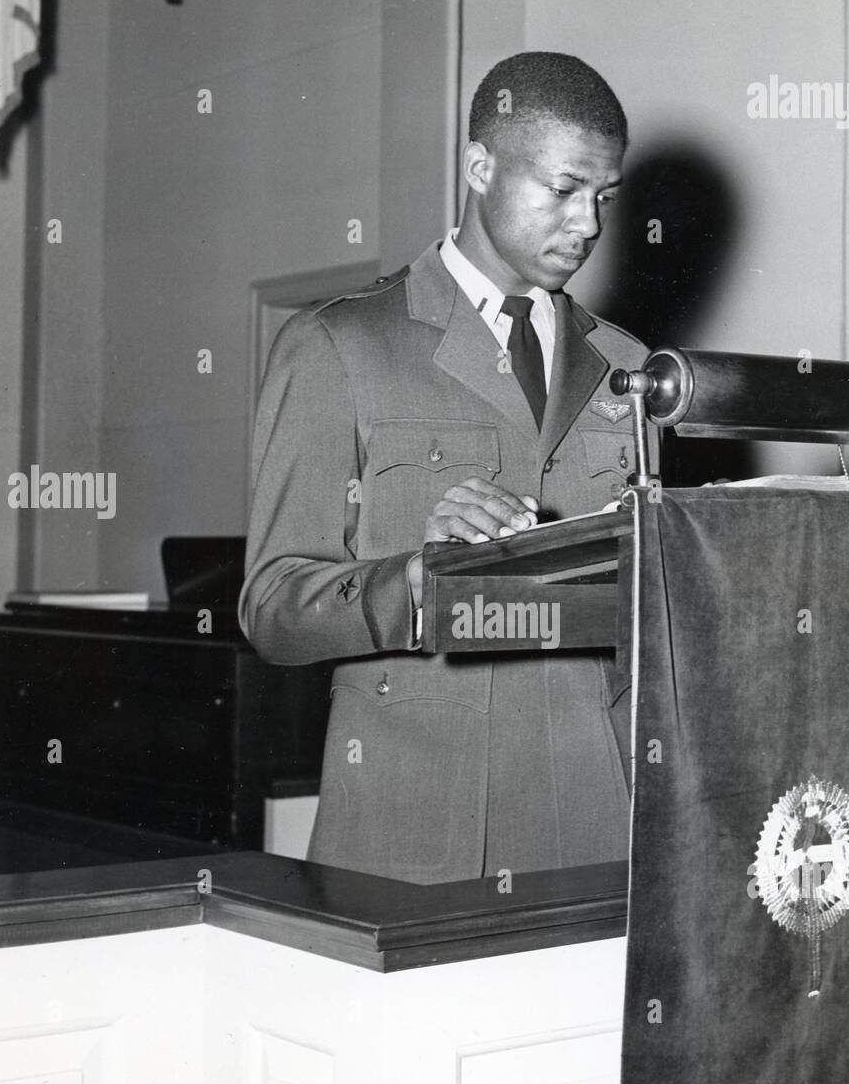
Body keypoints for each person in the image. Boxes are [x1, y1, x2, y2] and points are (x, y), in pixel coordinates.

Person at [239, 51, 652, 884]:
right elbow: (272, 608)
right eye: (564, 189)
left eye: (605, 197)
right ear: (479, 167)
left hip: (601, 820)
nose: (590, 225)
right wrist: (415, 583)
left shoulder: (629, 368)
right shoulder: (339, 346)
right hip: (418, 827)